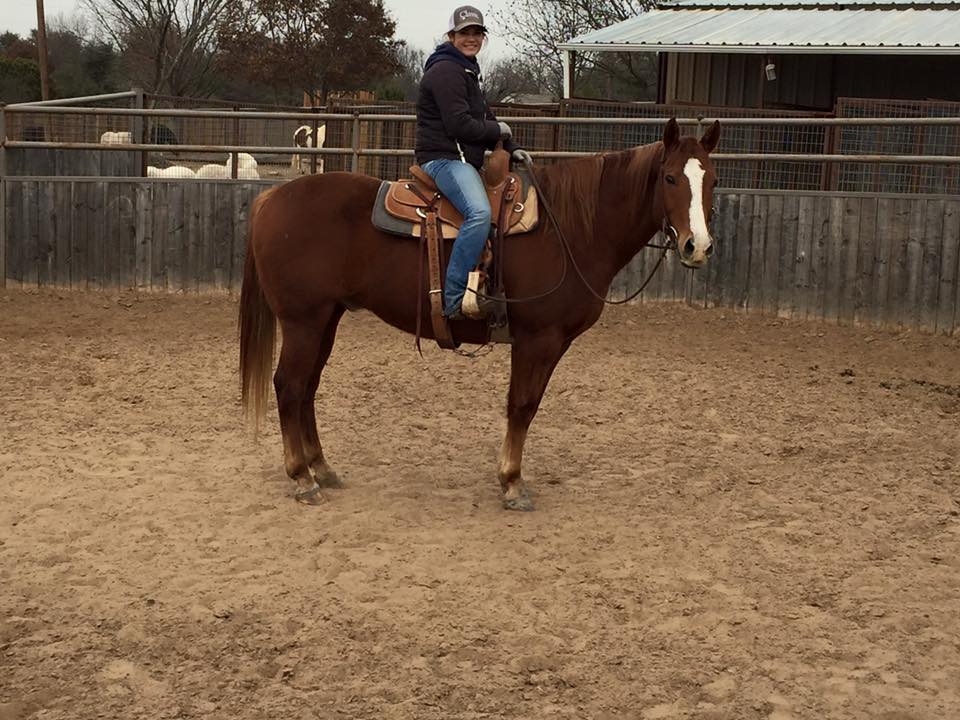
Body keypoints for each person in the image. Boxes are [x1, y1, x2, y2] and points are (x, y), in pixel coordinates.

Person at [415, 5, 533, 319]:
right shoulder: (446, 72)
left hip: (464, 160)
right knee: (479, 214)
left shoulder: (466, 70)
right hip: (444, 160)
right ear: (451, 36)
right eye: (464, 33)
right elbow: (459, 125)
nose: (471, 38)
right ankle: (452, 299)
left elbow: (484, 117)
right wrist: (499, 130)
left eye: (476, 33)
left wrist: (512, 145)